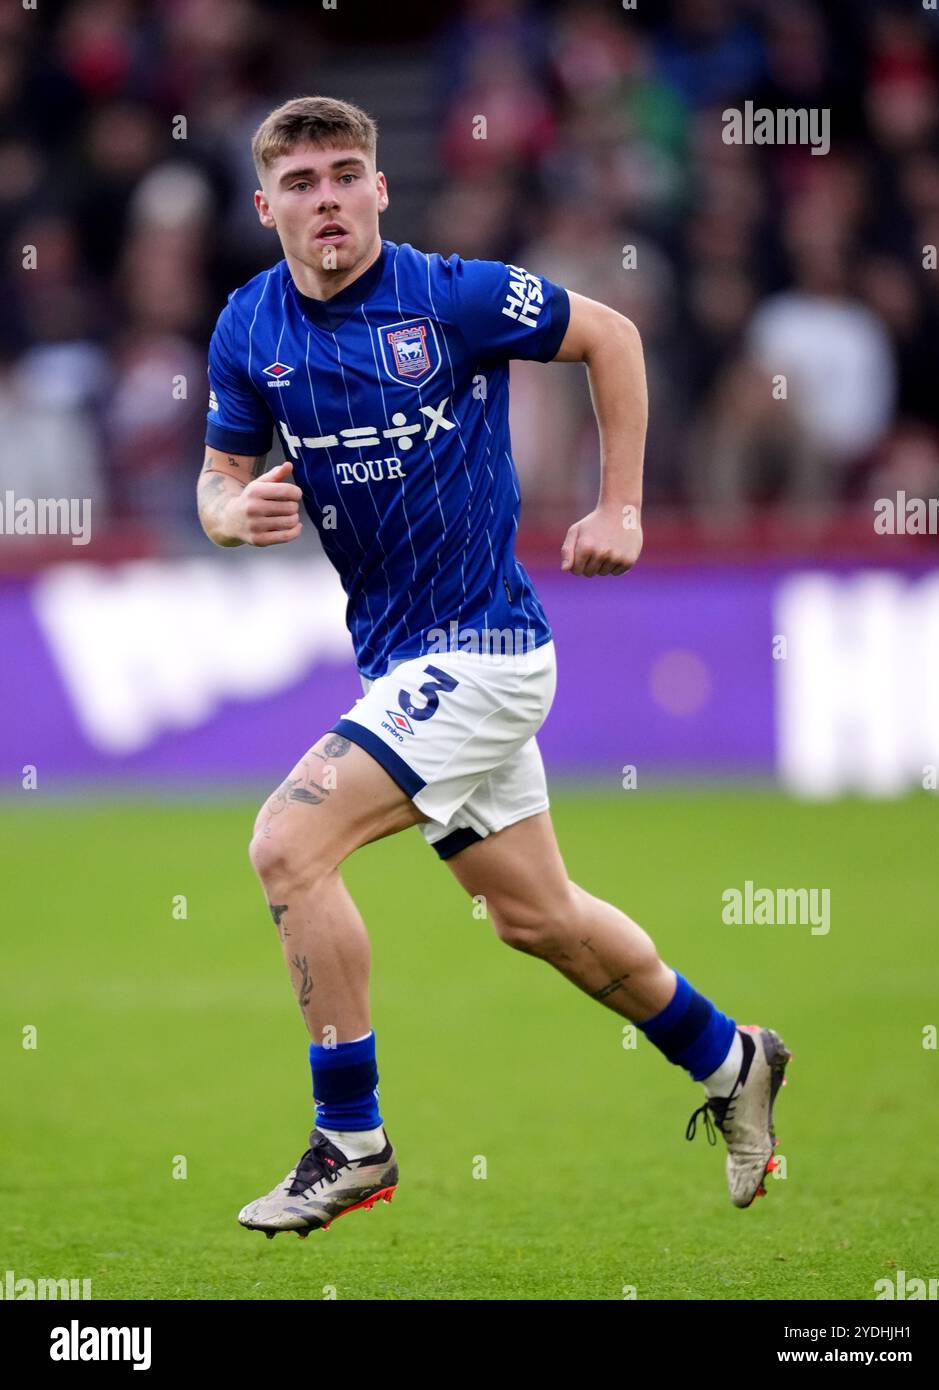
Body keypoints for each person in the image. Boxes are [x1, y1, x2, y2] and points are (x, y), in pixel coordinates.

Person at [196, 96, 791, 1239]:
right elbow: (217, 480)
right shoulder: (246, 328)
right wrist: (231, 514)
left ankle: (351, 1142)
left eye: (344, 174)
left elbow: (608, 336)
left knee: (287, 840)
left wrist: (619, 506)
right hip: (402, 663)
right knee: (538, 918)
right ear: (266, 203)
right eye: (302, 181)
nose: (326, 198)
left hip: (487, 651)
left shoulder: (450, 296)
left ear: (379, 190)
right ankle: (733, 1061)